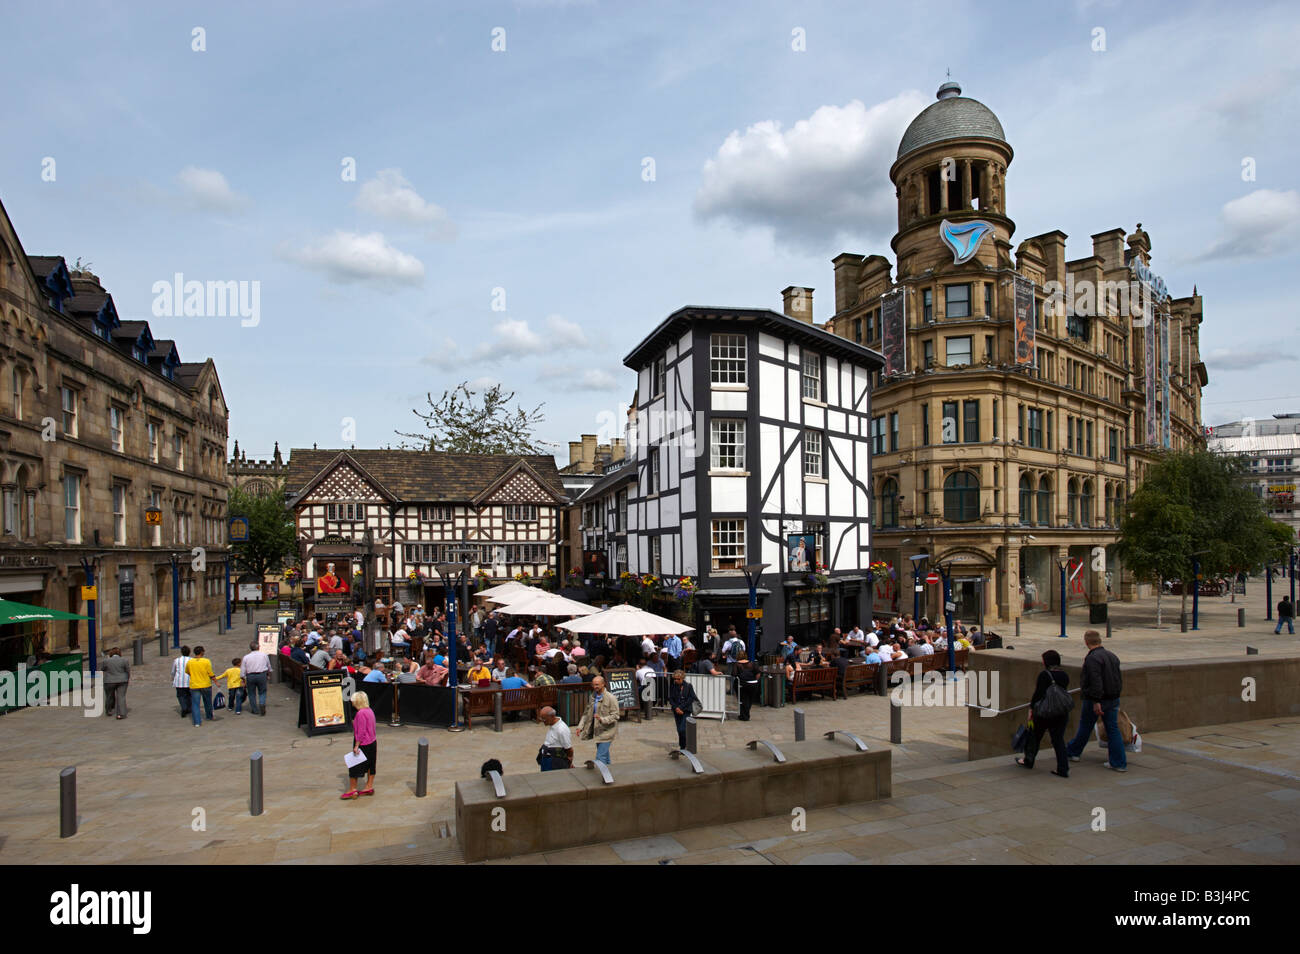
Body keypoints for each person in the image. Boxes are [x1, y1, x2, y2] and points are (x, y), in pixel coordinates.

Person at [1065, 630, 1126, 772]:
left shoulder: (1092, 659)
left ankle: (1073, 752)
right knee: (1113, 729)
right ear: (1100, 641)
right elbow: (1118, 679)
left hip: (1097, 699)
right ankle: (1119, 762)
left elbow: (1095, 681)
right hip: (1113, 697)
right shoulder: (1112, 656)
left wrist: (1096, 701)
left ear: (1086, 642)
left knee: (1086, 725)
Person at [1017, 649, 1071, 777]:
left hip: (1044, 713)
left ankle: (1028, 760)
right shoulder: (1064, 675)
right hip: (1061, 712)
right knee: (1058, 740)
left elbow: (1038, 695)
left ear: (1046, 662)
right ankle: (1063, 768)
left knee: (1034, 737)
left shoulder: (1044, 675)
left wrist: (1031, 709)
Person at [577, 674, 619, 764]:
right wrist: (580, 727)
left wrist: (602, 719)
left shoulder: (611, 698)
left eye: (597, 684)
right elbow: (586, 713)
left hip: (607, 732)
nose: (595, 687)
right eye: (593, 685)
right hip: (598, 731)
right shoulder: (593, 696)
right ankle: (609, 775)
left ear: (603, 684)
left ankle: (602, 775)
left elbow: (615, 715)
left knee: (600, 757)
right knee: (605, 756)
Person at [342, 690, 377, 799]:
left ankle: (353, 789)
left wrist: (357, 745)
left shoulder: (360, 713)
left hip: (363, 743)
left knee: (354, 766)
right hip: (372, 741)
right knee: (371, 765)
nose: (352, 703)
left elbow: (361, 732)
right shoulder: (370, 711)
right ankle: (369, 786)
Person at [667, 669, 700, 749]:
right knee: (679, 729)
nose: (676, 680)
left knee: (682, 729)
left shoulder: (688, 686)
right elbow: (670, 698)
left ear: (682, 678)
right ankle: (682, 746)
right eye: (675, 679)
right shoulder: (673, 686)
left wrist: (681, 707)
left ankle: (686, 744)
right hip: (676, 710)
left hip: (685, 710)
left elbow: (691, 698)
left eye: (678, 679)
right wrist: (676, 708)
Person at [186, 646, 217, 727]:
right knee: (207, 701)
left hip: (194, 685)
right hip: (206, 684)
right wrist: (215, 681)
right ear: (202, 652)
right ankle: (209, 716)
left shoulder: (190, 662)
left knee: (195, 704)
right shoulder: (206, 661)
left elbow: (188, 672)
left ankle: (197, 722)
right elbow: (210, 673)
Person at [537, 706, 574, 771]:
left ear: (552, 716)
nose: (543, 721)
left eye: (544, 719)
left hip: (554, 762)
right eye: (541, 719)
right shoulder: (552, 725)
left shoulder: (561, 729)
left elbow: (569, 750)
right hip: (546, 760)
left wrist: (569, 762)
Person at [241, 641, 271, 715]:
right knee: (262, 691)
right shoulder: (264, 655)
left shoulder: (246, 657)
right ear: (258, 647)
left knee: (251, 693)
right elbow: (268, 666)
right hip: (262, 675)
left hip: (250, 676)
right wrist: (268, 674)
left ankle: (254, 709)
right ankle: (262, 703)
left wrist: (243, 678)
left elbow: (243, 669)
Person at [101, 647, 130, 719]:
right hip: (122, 681)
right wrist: (127, 678)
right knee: (121, 697)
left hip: (109, 681)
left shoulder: (106, 661)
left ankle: (109, 710)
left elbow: (102, 669)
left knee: (109, 696)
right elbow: (127, 671)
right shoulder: (125, 660)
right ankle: (121, 714)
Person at [735, 653, 759, 721]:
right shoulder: (752, 663)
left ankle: (744, 716)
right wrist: (755, 680)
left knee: (743, 700)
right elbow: (758, 673)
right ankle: (746, 714)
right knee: (750, 700)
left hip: (743, 684)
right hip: (753, 683)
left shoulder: (737, 664)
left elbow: (734, 674)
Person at [171, 645, 192, 718]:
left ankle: (184, 707)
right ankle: (189, 707)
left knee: (180, 695)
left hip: (179, 681)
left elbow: (173, 671)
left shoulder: (176, 660)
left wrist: (173, 678)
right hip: (190, 681)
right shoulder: (192, 660)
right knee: (189, 695)